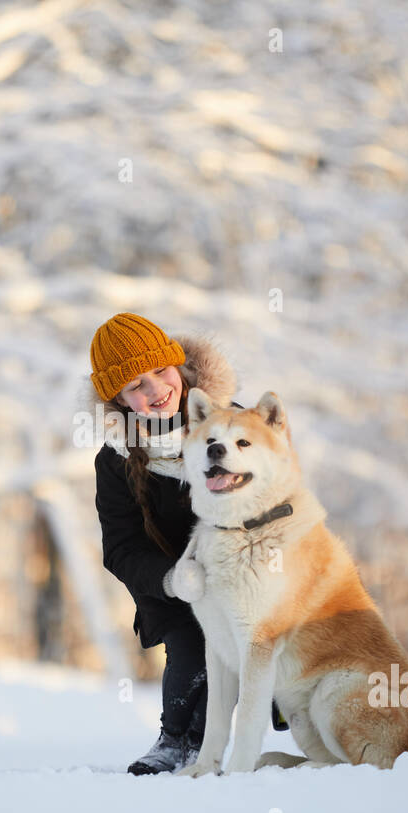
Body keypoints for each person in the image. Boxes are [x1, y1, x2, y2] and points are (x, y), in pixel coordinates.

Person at [82, 312, 242, 774]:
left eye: (159, 372)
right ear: (120, 401)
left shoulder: (230, 423)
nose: (155, 391)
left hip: (241, 570)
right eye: (135, 386)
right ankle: (177, 740)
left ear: (180, 365)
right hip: (171, 581)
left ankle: (281, 704)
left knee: (241, 638)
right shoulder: (115, 461)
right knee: (191, 644)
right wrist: (173, 579)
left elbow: (275, 492)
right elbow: (121, 547)